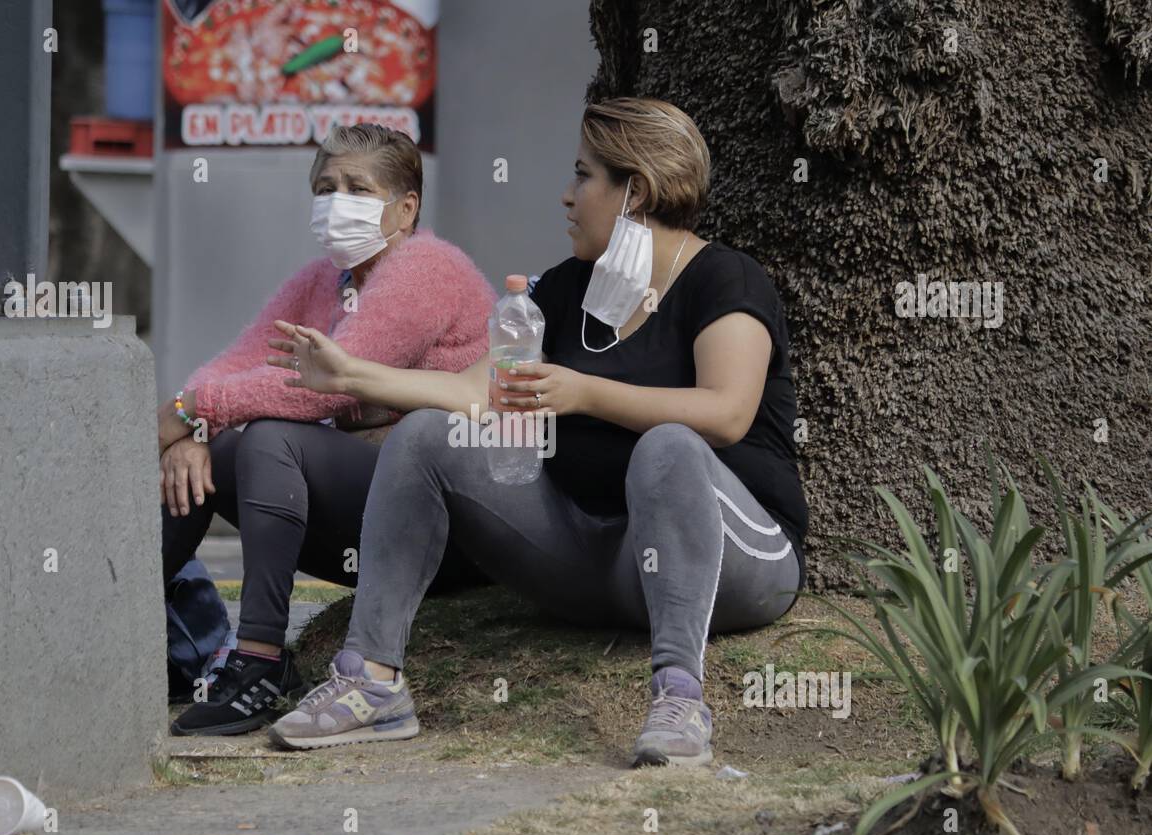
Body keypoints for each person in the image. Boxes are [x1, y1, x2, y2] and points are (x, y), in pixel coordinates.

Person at [263, 98, 810, 767]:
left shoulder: (725, 278)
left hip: (738, 562)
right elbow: (472, 391)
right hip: (598, 562)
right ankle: (372, 683)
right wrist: (350, 375)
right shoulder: (562, 291)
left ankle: (679, 697)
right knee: (429, 434)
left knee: (667, 446)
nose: (567, 195)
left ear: (632, 190)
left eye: (584, 176)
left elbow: (727, 411)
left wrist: (583, 392)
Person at [161, 124, 495, 736]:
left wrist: (188, 411)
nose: (336, 201)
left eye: (357, 188)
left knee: (264, 436)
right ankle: (116, 632)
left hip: (444, 532)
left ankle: (258, 661)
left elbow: (320, 384)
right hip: (368, 511)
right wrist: (189, 430)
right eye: (324, 187)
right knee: (208, 454)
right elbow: (239, 360)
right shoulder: (323, 280)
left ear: (406, 206)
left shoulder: (427, 268)